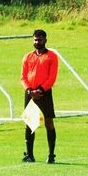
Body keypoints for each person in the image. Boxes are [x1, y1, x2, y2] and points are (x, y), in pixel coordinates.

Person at [21, 29, 59, 164]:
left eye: (40, 39)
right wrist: (29, 90)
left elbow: (52, 77)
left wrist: (40, 90)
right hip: (30, 93)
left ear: (45, 40)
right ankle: (30, 154)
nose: (38, 42)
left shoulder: (52, 56)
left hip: (45, 93)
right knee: (29, 124)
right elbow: (23, 77)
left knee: (48, 122)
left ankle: (51, 154)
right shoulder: (27, 57)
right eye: (35, 40)